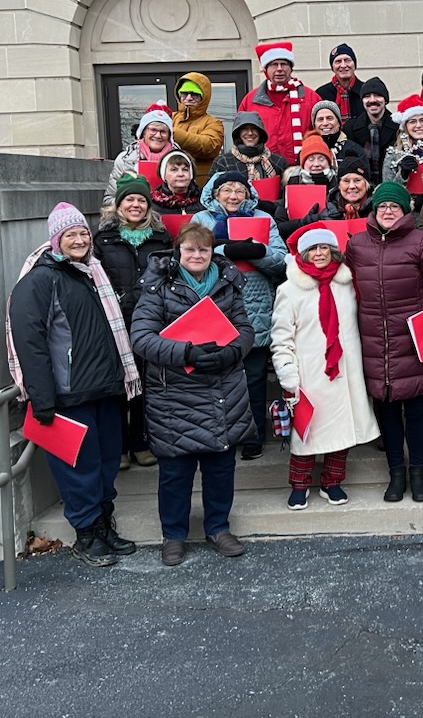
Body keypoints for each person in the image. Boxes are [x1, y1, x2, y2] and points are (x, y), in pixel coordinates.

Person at [7, 203, 141, 567]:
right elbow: (30, 342)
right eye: (71, 235)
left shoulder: (91, 273)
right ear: (56, 240)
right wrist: (42, 397)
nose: (80, 240)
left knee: (106, 464)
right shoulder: (39, 281)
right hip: (68, 396)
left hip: (104, 389)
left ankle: (104, 528)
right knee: (79, 471)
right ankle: (86, 535)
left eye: (83, 233)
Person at [129, 223, 255, 566]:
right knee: (175, 473)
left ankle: (219, 527)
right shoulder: (158, 286)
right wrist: (186, 352)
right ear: (178, 251)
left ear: (212, 252)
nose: (197, 255)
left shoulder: (228, 283)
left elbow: (245, 329)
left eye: (203, 249)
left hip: (222, 389)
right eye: (190, 249)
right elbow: (141, 338)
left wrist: (232, 352)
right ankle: (173, 534)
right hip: (174, 394)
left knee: (221, 469)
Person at [346, 182, 423, 503]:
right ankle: (396, 473)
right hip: (375, 342)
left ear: (406, 210)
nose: (388, 211)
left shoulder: (422, 243)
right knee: (388, 410)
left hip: (414, 340)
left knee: (417, 410)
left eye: (394, 206)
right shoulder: (357, 245)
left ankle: (417, 473)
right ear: (374, 210)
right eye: (382, 206)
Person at [270, 228, 381, 510]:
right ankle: (299, 484)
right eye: (312, 249)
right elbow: (281, 337)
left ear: (333, 251)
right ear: (303, 254)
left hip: (345, 369)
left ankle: (332, 482)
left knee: (342, 429)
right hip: (310, 371)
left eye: (324, 248)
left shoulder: (347, 283)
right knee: (307, 432)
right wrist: (287, 372)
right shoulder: (289, 290)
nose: (319, 254)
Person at [191, 171, 289, 460]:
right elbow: (191, 258)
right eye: (227, 190)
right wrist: (226, 250)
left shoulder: (263, 218)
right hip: (216, 307)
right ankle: (222, 433)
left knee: (254, 377)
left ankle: (253, 434)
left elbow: (281, 261)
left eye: (239, 190)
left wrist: (256, 251)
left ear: (248, 194)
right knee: (219, 377)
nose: (233, 196)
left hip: (255, 306)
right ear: (215, 193)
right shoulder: (201, 220)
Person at [93, 173, 172, 468]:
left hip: (152, 321)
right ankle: (121, 446)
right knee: (120, 385)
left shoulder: (162, 238)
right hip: (115, 321)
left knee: (146, 383)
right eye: (129, 200)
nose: (136, 205)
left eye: (141, 200)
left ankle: (141, 442)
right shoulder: (103, 239)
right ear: (118, 205)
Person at [239, 41, 320, 164]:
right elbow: (240, 136)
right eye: (274, 64)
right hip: (263, 166)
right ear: (265, 69)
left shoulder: (310, 98)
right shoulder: (250, 100)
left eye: (284, 64)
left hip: (302, 166)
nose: (279, 69)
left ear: (291, 68)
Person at [210, 112, 290, 215]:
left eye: (254, 128)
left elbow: (288, 196)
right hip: (233, 217)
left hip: (274, 216)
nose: (250, 133)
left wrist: (271, 207)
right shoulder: (223, 162)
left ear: (261, 132)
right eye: (244, 129)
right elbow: (212, 194)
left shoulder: (278, 161)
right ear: (238, 133)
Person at [105, 100, 174, 206]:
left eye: (163, 131)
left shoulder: (181, 159)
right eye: (153, 130)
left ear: (169, 135)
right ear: (143, 132)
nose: (158, 135)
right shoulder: (125, 159)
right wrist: (128, 203)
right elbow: (109, 199)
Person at [274, 133, 339, 239]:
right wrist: (306, 221)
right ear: (303, 164)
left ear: (328, 162)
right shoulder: (293, 183)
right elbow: (279, 227)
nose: (316, 164)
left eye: (321, 159)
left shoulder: (339, 184)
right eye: (311, 159)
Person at [384, 94, 423, 210]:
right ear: (405, 126)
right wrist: (402, 175)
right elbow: (387, 190)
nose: (418, 125)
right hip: (405, 212)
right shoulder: (394, 154)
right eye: (412, 121)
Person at [170, 73, 225, 183]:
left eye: (194, 94)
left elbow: (210, 146)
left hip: (199, 183)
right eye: (184, 93)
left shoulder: (213, 123)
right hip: (170, 181)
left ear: (204, 97)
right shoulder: (170, 118)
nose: (189, 98)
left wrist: (173, 134)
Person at [344, 76, 393, 184]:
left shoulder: (399, 127)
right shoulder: (350, 129)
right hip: (361, 186)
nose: (372, 100)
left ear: (385, 100)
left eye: (378, 95)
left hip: (391, 185)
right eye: (367, 96)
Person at [309, 99, 369, 167]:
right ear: (314, 125)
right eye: (320, 119)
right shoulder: (307, 150)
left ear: (338, 123)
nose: (325, 123)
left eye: (329, 118)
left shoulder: (354, 150)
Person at [315, 42, 365, 121]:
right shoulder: (321, 95)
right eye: (338, 61)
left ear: (355, 65)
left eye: (347, 60)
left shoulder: (366, 92)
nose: (343, 65)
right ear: (332, 67)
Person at [149, 149, 204, 216]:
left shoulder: (204, 200)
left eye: (185, 169)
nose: (180, 174)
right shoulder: (153, 204)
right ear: (164, 174)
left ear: (191, 174)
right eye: (174, 169)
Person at [320, 157, 375, 223]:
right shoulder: (326, 215)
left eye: (357, 180)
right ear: (339, 186)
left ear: (367, 184)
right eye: (346, 181)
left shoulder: (378, 212)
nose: (352, 186)